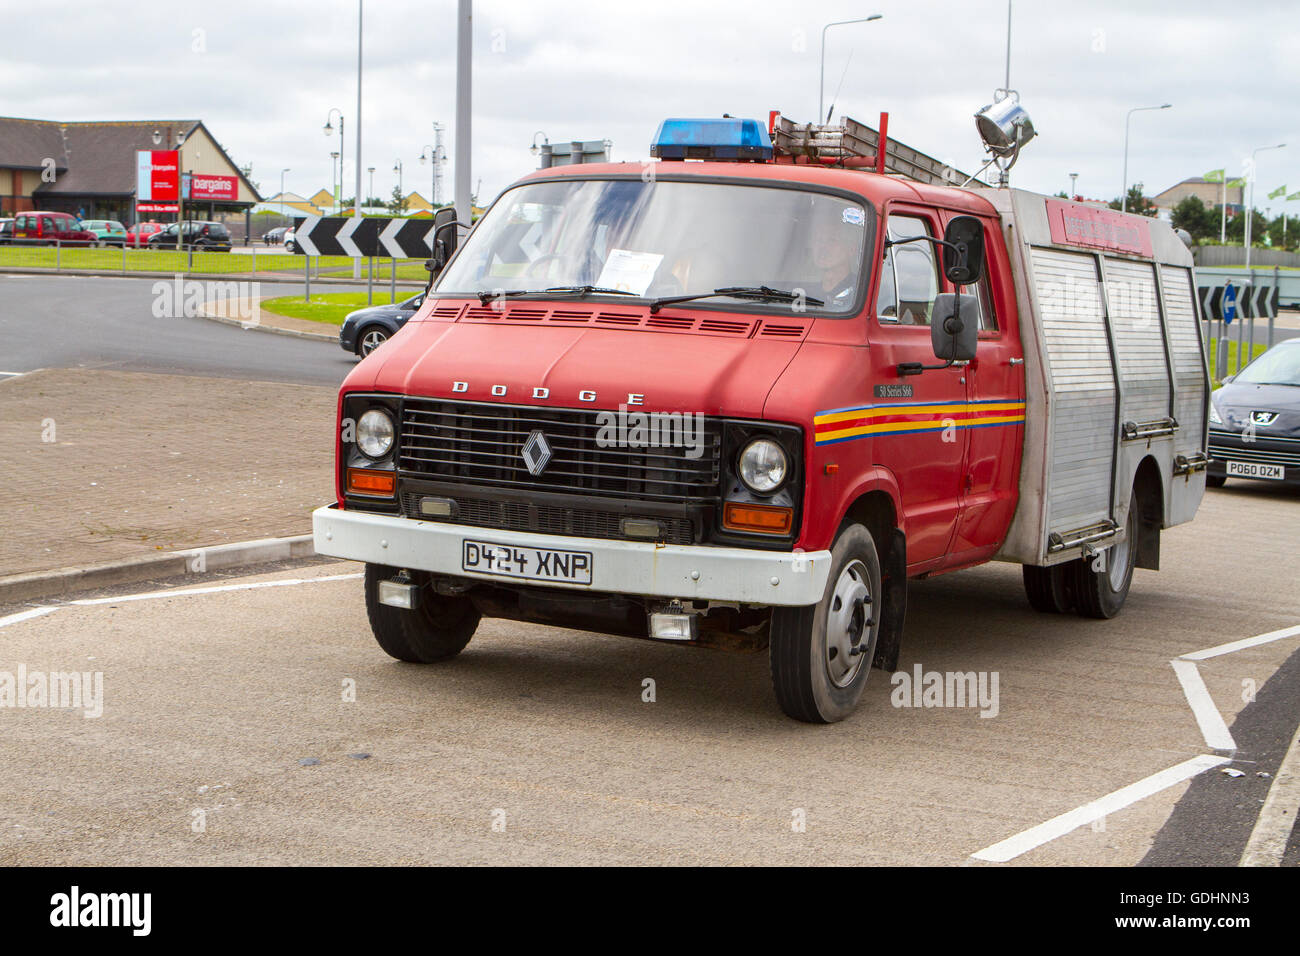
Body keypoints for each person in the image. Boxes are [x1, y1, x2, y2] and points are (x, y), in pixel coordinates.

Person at [809, 205, 866, 309]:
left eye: (832, 240)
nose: (822, 247)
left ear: (851, 249)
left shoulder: (861, 294)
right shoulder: (805, 293)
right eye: (819, 240)